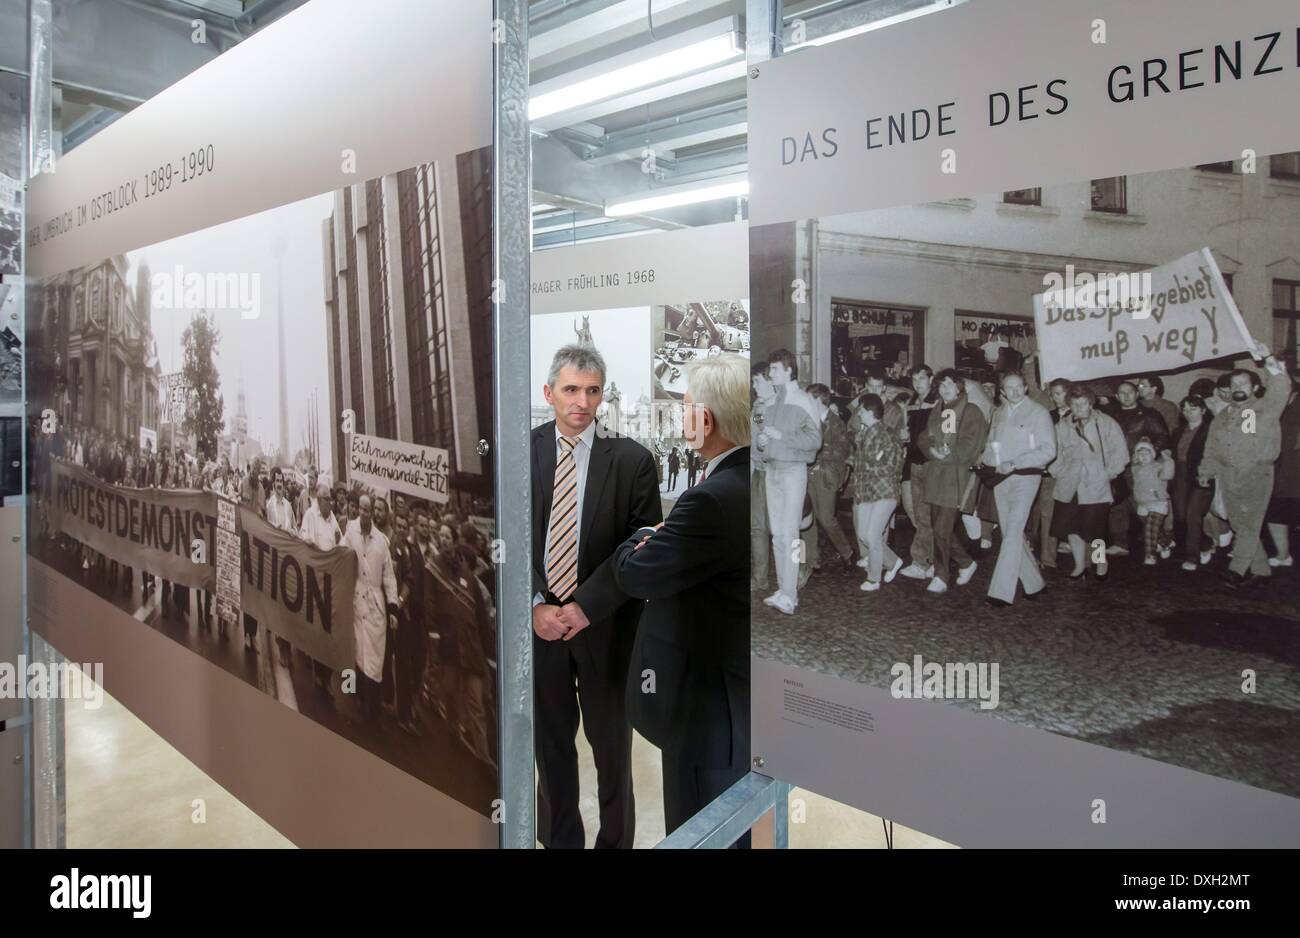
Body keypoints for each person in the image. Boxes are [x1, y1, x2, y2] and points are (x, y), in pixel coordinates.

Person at [613, 354, 750, 847]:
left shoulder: (709, 500)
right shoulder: (753, 479)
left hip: (703, 712)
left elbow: (635, 573)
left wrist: (646, 534)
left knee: (701, 831)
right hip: (738, 701)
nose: (680, 416)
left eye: (687, 407)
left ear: (707, 421)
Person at [530, 344, 661, 850]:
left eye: (592, 391)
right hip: (541, 632)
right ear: (549, 393)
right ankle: (561, 841)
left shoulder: (632, 461)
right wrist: (535, 606)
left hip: (607, 632)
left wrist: (586, 607)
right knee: (552, 750)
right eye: (571, 390)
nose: (582, 402)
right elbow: (509, 539)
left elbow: (641, 546)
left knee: (612, 756)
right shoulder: (523, 452)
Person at [1199, 343, 1291, 588]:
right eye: (1234, 385)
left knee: (1249, 523)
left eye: (1244, 384)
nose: (1238, 388)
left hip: (1257, 473)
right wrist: (1206, 471)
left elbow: (1281, 385)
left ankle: (1236, 568)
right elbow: (1212, 446)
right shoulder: (1223, 416)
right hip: (1229, 475)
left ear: (1256, 388)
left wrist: (1268, 357)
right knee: (1240, 523)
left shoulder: (1266, 408)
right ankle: (1261, 570)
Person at [981, 371, 1055, 606]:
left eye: (1018, 387)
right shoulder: (999, 413)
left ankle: (1000, 592)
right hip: (1001, 480)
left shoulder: (1039, 413)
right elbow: (991, 445)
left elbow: (1048, 450)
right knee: (1010, 534)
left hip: (1026, 478)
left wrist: (1016, 463)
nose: (1013, 392)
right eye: (1008, 388)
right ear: (1002, 391)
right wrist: (985, 461)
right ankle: (1035, 584)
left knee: (1012, 533)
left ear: (1025, 388)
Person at [760, 349, 821, 615]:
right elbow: (768, 438)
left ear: (787, 370)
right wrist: (764, 442)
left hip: (793, 472)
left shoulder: (804, 400)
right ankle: (784, 590)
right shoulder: (772, 403)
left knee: (791, 536)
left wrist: (781, 436)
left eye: (774, 369)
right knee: (778, 535)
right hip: (772, 471)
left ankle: (791, 591)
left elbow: (815, 441)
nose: (770, 374)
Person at [916, 369, 986, 593]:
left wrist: (948, 456)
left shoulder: (971, 411)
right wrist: (930, 451)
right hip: (936, 475)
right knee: (940, 528)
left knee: (942, 529)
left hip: (956, 477)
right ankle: (965, 563)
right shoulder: (938, 409)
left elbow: (971, 445)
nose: (945, 388)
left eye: (950, 384)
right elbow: (924, 437)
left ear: (959, 387)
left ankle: (941, 575)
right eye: (942, 385)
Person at [1049, 386, 1128, 580]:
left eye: (1082, 404)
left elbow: (1121, 452)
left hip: (1096, 484)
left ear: (1091, 403)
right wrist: (1057, 471)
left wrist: (1108, 473)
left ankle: (1100, 562)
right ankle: (1079, 566)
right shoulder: (1062, 426)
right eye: (1074, 404)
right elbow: (1053, 452)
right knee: (1071, 528)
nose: (1078, 408)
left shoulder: (1106, 423)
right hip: (1069, 484)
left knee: (1095, 531)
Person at [343, 494, 399, 720]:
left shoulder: (381, 542)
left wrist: (393, 606)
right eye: (363, 510)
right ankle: (358, 698)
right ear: (358, 511)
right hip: (357, 599)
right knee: (358, 651)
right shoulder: (350, 531)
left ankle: (374, 708)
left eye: (369, 510)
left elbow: (389, 577)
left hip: (375, 605)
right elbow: (340, 556)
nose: (365, 514)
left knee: (375, 658)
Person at [1104, 380, 1170, 557]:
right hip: (1117, 465)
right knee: (1117, 504)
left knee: (1143, 505)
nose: (1126, 396)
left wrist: (1149, 454)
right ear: (1116, 396)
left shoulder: (1148, 414)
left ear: (1137, 394)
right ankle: (1120, 543)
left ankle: (1161, 539)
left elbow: (1162, 435)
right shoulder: (1110, 415)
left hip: (1139, 467)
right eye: (1122, 393)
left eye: (1130, 392)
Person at [849, 393, 904, 591]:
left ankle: (874, 578)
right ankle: (894, 561)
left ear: (870, 412)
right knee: (863, 534)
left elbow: (893, 466)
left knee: (872, 535)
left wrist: (867, 466)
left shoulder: (887, 434)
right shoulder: (864, 434)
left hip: (885, 491)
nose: (858, 414)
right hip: (866, 492)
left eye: (860, 411)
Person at [801, 383, 854, 578]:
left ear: (818, 400)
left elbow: (842, 451)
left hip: (826, 476)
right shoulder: (807, 420)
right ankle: (813, 562)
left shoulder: (836, 423)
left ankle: (848, 553)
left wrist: (815, 455)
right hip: (808, 474)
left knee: (826, 518)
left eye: (808, 399)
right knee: (808, 518)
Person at [899, 365, 938, 580]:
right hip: (914, 464)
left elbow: (946, 434)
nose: (918, 382)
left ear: (931, 379)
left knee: (930, 516)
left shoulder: (939, 402)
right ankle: (924, 560)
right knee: (919, 514)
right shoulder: (912, 403)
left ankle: (930, 561)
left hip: (931, 464)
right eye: (914, 379)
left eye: (922, 378)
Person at [1171, 396, 1214, 571]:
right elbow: (1173, 452)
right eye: (1185, 409)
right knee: (1180, 516)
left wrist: (1207, 472)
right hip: (1180, 475)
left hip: (1201, 475)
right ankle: (1205, 542)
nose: (1188, 413)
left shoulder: (1210, 430)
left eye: (1193, 409)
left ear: (1203, 410)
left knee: (1193, 515)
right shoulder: (1178, 431)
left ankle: (1192, 557)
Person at [264, 467, 298, 669]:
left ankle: (288, 647)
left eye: (281, 481)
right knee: (279, 605)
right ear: (273, 483)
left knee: (289, 605)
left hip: (289, 560)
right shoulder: (270, 506)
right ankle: (281, 647)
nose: (278, 484)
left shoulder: (288, 505)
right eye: (276, 481)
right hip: (276, 559)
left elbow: (294, 527)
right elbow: (267, 531)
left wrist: (289, 531)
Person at [1265, 377, 1299, 568]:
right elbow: (1249, 432)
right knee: (1275, 512)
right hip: (1278, 469)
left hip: (1294, 468)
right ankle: (1282, 554)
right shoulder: (1262, 406)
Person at [1129, 439, 1175, 565]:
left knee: (1150, 527)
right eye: (1140, 453)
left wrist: (1168, 461)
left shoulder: (1158, 467)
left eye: (1147, 453)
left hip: (1157, 502)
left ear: (1153, 455)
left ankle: (1150, 555)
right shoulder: (1135, 469)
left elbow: (1168, 475)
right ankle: (1165, 542)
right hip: (1142, 504)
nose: (1143, 456)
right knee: (1151, 528)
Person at [750, 361, 774, 593]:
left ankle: (802, 565)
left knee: (790, 529)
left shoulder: (782, 405)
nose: (754, 385)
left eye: (758, 381)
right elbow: (755, 439)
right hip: (760, 473)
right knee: (757, 527)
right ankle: (760, 578)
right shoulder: (758, 407)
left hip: (780, 474)